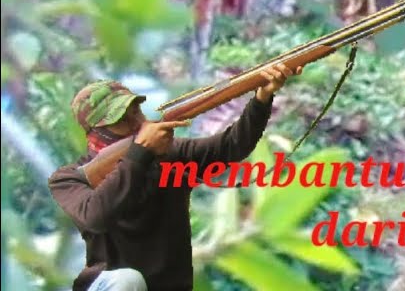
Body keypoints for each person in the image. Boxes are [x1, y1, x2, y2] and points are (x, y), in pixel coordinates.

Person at [48, 63, 297, 291]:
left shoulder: (172, 154)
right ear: (96, 133)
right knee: (127, 281)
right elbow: (96, 217)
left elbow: (233, 145)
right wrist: (139, 154)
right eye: (121, 120)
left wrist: (262, 99)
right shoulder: (69, 179)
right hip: (112, 285)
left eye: (136, 111)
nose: (136, 122)